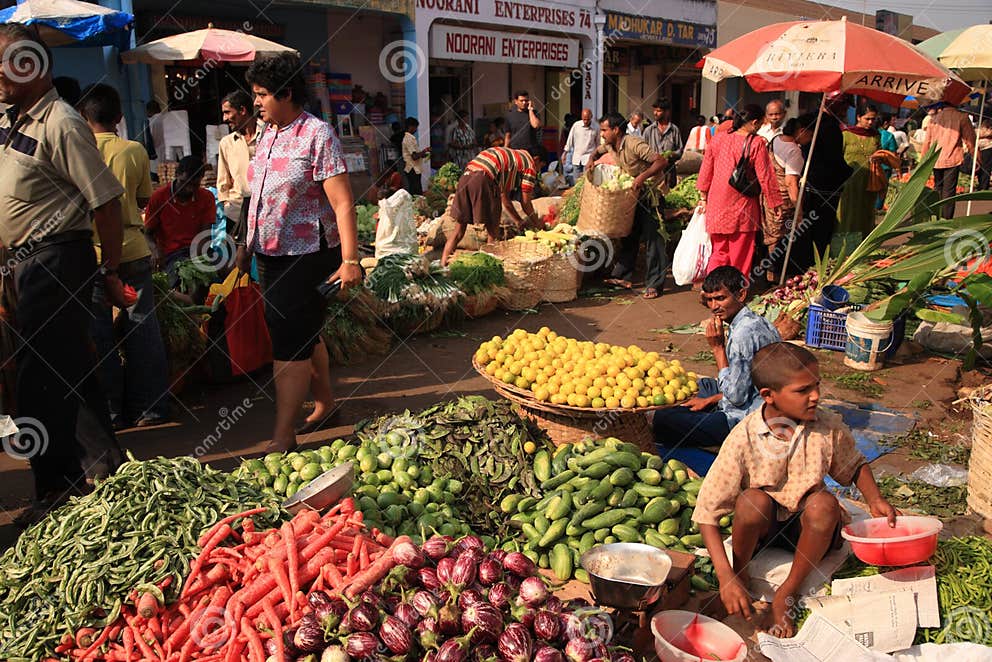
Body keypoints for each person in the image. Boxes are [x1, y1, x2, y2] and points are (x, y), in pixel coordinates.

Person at [0, 25, 126, 521]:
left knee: (39, 384)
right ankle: (109, 471)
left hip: (55, 260)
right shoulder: (11, 121)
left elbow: (106, 202)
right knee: (71, 372)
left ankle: (57, 489)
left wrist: (111, 270)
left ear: (36, 66)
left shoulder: (62, 123)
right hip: (20, 265)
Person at [693, 342, 897, 637]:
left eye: (816, 386)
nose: (815, 396)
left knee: (824, 504)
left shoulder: (827, 426)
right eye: (803, 391)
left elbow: (853, 465)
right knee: (751, 501)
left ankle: (786, 593)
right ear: (768, 396)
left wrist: (875, 500)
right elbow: (708, 513)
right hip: (765, 529)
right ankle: (742, 574)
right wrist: (726, 576)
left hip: (810, 531)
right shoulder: (743, 438)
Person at [238, 52, 362, 451]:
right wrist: (246, 244)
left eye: (261, 94)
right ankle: (325, 403)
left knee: (288, 343)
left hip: (307, 256)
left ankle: (282, 435)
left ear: (286, 93)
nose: (255, 102)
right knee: (305, 331)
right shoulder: (267, 134)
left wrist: (350, 260)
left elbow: (343, 202)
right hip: (270, 255)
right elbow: (257, 194)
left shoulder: (317, 135)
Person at [78, 83, 171, 430]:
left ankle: (112, 414)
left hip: (94, 252)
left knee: (99, 334)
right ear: (119, 117)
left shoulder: (79, 150)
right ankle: (152, 410)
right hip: (132, 248)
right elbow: (145, 200)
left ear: (84, 117)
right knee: (142, 326)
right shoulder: (133, 151)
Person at [653, 266, 781, 456]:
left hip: (746, 418)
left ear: (741, 295)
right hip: (754, 393)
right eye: (710, 300)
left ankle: (714, 427)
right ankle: (710, 406)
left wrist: (718, 348)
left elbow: (737, 398)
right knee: (702, 384)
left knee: (663, 420)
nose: (714, 306)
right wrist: (711, 399)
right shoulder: (755, 320)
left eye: (721, 298)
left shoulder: (743, 335)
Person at [697, 104, 783, 279]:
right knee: (740, 255)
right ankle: (736, 292)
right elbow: (765, 176)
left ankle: (714, 289)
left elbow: (706, 170)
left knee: (719, 252)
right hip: (742, 208)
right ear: (754, 122)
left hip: (717, 205)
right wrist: (775, 203)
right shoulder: (756, 143)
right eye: (760, 124)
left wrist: (703, 196)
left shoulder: (718, 139)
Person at [594, 112, 669, 299]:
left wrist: (642, 177)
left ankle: (654, 284)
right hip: (632, 197)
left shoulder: (634, 143)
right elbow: (597, 151)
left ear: (616, 130)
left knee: (653, 239)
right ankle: (622, 276)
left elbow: (661, 161)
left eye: (604, 130)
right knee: (628, 234)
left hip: (652, 195)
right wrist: (590, 160)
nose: (602, 134)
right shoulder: (611, 145)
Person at [440, 146, 545, 265]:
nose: (538, 171)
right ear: (536, 159)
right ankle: (487, 265)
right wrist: (538, 224)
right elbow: (526, 203)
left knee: (458, 230)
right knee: (493, 230)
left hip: (466, 177)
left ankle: (443, 265)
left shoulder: (514, 159)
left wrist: (518, 221)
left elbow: (505, 199)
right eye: (540, 167)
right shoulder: (529, 165)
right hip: (483, 179)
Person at [794, 97, 852, 272]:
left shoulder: (814, 121)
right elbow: (833, 160)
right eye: (843, 106)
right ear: (831, 104)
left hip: (814, 185)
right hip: (822, 189)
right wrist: (847, 172)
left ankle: (808, 266)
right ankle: (813, 268)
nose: (845, 110)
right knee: (819, 233)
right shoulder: (827, 126)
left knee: (810, 231)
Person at [144, 156, 216, 283]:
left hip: (198, 252)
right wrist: (155, 251)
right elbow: (147, 233)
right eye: (185, 183)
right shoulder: (159, 197)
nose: (189, 189)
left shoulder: (207, 197)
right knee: (186, 283)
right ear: (177, 175)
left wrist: (197, 263)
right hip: (171, 255)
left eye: (195, 185)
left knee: (230, 273)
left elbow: (205, 236)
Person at [762, 118, 809, 282]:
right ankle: (776, 276)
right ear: (801, 131)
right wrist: (799, 210)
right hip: (784, 200)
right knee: (782, 237)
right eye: (808, 134)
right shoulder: (794, 150)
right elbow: (791, 182)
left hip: (768, 195)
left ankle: (770, 274)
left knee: (771, 235)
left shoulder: (775, 140)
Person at [217, 90, 263, 238]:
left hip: (266, 210)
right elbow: (223, 180)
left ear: (243, 110)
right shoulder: (227, 143)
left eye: (227, 112)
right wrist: (226, 205)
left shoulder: (269, 134)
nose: (224, 118)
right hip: (236, 212)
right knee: (238, 257)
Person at [922, 103, 977, 219]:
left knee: (938, 189)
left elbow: (927, 142)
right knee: (949, 192)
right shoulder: (962, 117)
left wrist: (923, 162)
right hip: (952, 159)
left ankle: (935, 217)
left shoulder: (933, 119)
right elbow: (970, 141)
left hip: (935, 160)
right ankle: (946, 219)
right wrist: (977, 158)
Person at [837, 104, 881, 235]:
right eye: (867, 118)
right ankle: (843, 247)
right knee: (846, 212)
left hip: (868, 181)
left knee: (865, 211)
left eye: (873, 119)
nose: (870, 122)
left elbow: (881, 153)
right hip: (848, 181)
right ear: (858, 117)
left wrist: (880, 158)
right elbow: (838, 156)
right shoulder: (846, 134)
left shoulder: (875, 136)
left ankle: (862, 247)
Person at [643, 97, 683, 189]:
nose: (655, 113)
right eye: (654, 110)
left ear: (667, 112)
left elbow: (680, 151)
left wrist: (672, 154)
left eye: (658, 111)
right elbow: (642, 150)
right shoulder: (648, 131)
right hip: (652, 172)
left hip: (669, 172)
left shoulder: (674, 130)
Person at [562, 108, 598, 184]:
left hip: (588, 159)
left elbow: (598, 143)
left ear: (591, 117)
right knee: (576, 182)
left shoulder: (596, 127)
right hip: (577, 158)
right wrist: (565, 153)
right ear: (581, 117)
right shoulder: (576, 125)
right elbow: (570, 139)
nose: (586, 121)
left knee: (586, 182)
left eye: (588, 119)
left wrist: (596, 157)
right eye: (584, 119)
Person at [401, 116, 428, 196]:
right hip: (412, 168)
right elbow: (414, 156)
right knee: (416, 191)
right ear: (411, 127)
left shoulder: (411, 138)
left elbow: (416, 154)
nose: (416, 130)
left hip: (415, 168)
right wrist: (424, 151)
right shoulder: (408, 139)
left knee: (415, 190)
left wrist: (423, 154)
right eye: (416, 127)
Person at [976, 118, 992, 191]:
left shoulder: (988, 121)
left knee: (986, 168)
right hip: (980, 147)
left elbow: (989, 133)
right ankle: (981, 184)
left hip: (988, 147)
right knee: (981, 167)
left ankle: (984, 186)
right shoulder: (980, 123)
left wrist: (981, 134)